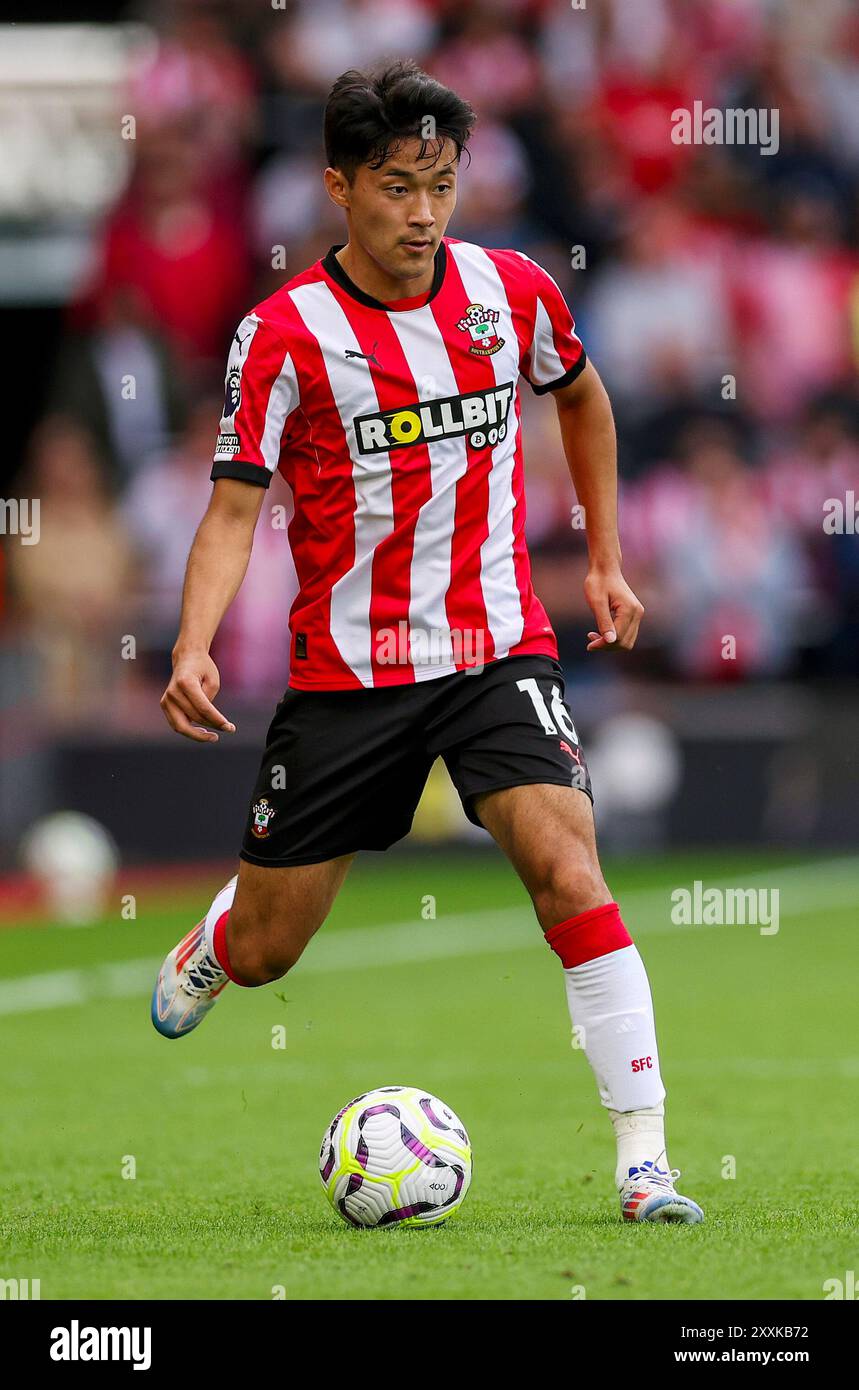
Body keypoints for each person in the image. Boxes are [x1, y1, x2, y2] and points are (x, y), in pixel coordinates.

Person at [152, 59, 703, 1226]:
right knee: (269, 950)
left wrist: (602, 559)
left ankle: (646, 1162)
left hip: (498, 646)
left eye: (440, 185)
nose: (421, 213)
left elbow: (584, 397)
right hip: (348, 676)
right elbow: (235, 508)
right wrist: (193, 643)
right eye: (397, 186)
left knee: (569, 870)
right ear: (338, 187)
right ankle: (217, 935)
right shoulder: (283, 334)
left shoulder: (511, 289)